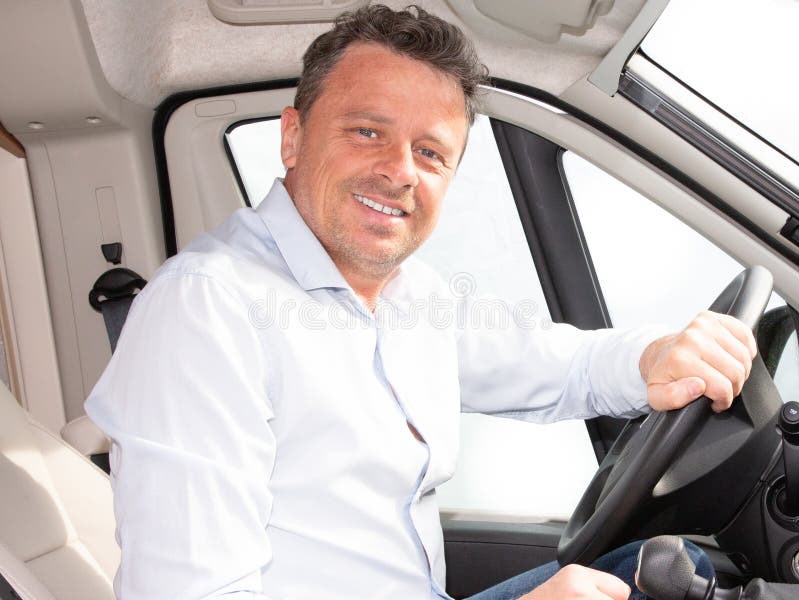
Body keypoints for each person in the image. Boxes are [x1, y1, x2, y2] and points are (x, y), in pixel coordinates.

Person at [85, 5, 757, 600]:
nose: (401, 170)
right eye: (367, 132)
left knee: (657, 570)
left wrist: (655, 355)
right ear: (292, 137)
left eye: (430, 153)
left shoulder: (412, 298)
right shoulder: (205, 312)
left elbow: (559, 365)